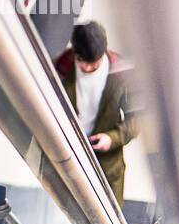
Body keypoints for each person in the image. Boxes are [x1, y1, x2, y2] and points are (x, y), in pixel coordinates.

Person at [54, 20, 137, 204]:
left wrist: (112, 138)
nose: (89, 68)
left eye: (95, 63)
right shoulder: (62, 67)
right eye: (83, 63)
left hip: (107, 165)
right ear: (76, 55)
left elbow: (139, 120)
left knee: (108, 214)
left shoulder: (122, 73)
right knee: (72, 209)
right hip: (70, 155)